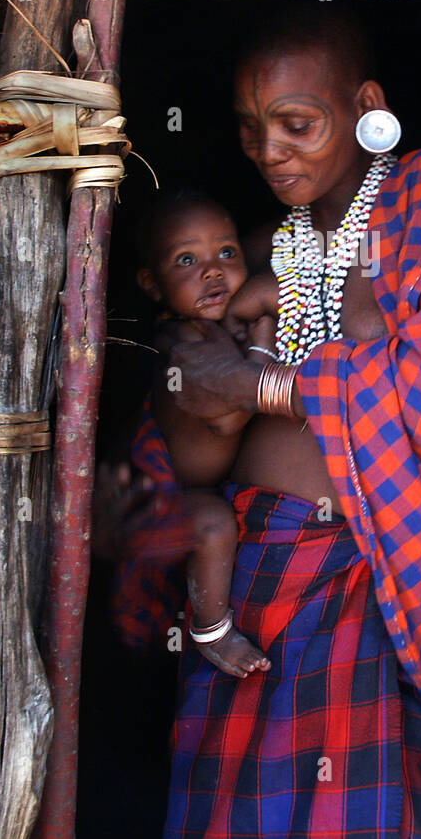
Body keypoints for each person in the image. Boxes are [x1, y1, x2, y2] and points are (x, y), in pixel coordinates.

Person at [107, 5, 421, 839]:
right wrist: (201, 399)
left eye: (299, 124)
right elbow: (190, 436)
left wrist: (267, 389)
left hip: (383, 589)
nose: (271, 153)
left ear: (367, 105)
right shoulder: (250, 256)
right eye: (253, 132)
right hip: (249, 593)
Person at [131, 189, 276, 678]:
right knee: (213, 525)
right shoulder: (179, 341)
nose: (213, 271)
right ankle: (212, 633)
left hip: (210, 481)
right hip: (172, 495)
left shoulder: (213, 327)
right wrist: (261, 353)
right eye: (187, 259)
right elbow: (228, 417)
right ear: (152, 285)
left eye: (226, 253)